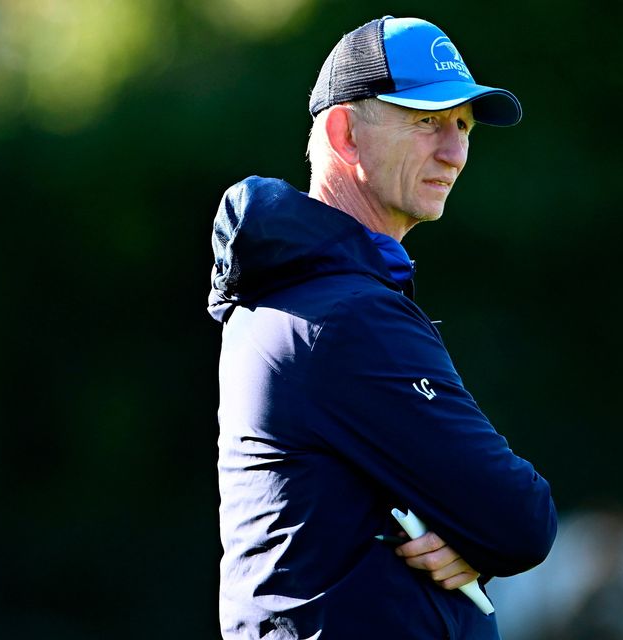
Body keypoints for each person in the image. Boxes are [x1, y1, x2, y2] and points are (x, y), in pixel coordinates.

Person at [208, 16, 558, 640]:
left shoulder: (300, 292)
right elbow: (520, 520)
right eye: (427, 121)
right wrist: (478, 532)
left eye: (464, 127)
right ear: (344, 132)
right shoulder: (345, 315)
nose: (454, 152)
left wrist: (469, 533)